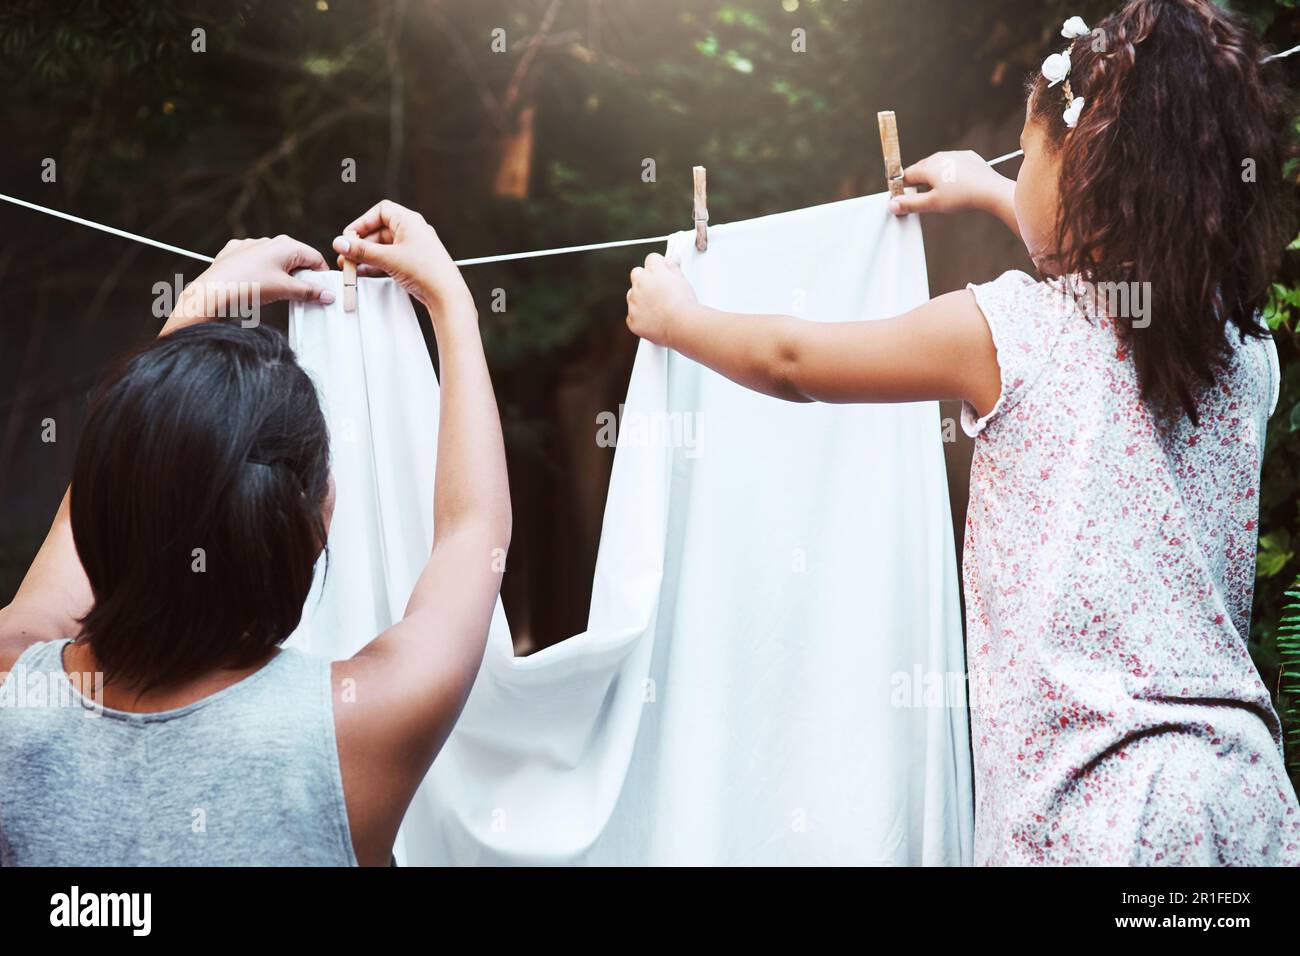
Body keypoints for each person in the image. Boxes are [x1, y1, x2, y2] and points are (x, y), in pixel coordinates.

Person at [624, 0, 1300, 865]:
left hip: (1094, 812)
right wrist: (989, 185)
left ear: (1084, 176)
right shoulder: (1246, 354)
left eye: (1029, 156)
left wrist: (680, 318)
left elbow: (794, 360)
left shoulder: (1006, 333)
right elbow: (1120, 268)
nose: (1018, 179)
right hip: (1242, 797)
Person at [0, 200, 509, 866]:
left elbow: (119, 478)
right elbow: (474, 531)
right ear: (316, 520)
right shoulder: (356, 728)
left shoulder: (14, 683)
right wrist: (451, 304)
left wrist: (195, 310)